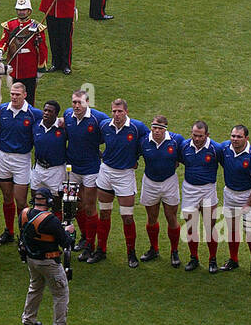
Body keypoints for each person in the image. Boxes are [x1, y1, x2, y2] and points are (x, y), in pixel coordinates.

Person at [93, 99, 147, 267]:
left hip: (125, 176)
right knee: (104, 213)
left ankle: (131, 254)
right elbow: (93, 141)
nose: (116, 115)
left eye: (120, 112)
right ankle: (101, 250)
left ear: (126, 112)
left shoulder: (138, 127)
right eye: (114, 111)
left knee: (127, 217)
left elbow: (147, 145)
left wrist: (135, 158)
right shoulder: (104, 126)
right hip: (106, 173)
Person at [20, 186, 78, 325]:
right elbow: (66, 242)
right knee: (61, 294)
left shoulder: (24, 213)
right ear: (49, 201)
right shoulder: (51, 220)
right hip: (49, 263)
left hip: (32, 260)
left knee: (35, 288)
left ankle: (28, 320)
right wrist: (68, 231)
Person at [0, 82, 41, 245]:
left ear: (25, 95)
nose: (14, 97)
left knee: (21, 201)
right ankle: (9, 231)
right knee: (7, 197)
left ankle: (24, 233)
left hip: (21, 159)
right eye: (12, 94)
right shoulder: (2, 110)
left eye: (17, 94)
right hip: (3, 158)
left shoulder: (34, 114)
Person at [64, 90, 107, 259]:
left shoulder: (99, 118)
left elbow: (109, 136)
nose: (76, 106)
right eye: (74, 102)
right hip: (72, 169)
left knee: (90, 207)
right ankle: (84, 237)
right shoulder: (68, 115)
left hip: (91, 169)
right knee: (74, 205)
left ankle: (90, 245)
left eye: (80, 103)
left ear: (87, 102)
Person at [219, 124, 251, 276]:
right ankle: (233, 259)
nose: (235, 139)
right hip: (229, 193)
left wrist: (248, 203)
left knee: (250, 231)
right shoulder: (224, 148)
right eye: (233, 136)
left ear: (246, 138)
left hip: (247, 195)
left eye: (239, 136)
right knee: (232, 229)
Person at [138, 116, 184, 266]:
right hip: (150, 182)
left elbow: (183, 158)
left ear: (166, 129)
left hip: (169, 182)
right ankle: (154, 249)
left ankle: (174, 251)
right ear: (151, 127)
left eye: (160, 128)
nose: (157, 131)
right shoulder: (144, 140)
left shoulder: (176, 140)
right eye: (155, 127)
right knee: (152, 218)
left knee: (171, 217)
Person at [179, 120, 222, 272]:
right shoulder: (184, 146)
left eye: (200, 136)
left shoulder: (216, 149)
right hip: (189, 189)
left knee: (210, 226)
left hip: (208, 190)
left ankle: (212, 259)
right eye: (194, 135)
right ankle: (194, 258)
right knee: (190, 226)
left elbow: (227, 164)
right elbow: (177, 161)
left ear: (207, 135)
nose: (196, 139)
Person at [31, 101, 68, 196]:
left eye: (50, 111)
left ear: (56, 114)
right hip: (38, 168)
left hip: (56, 170)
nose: (46, 113)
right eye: (45, 110)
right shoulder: (36, 126)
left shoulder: (63, 128)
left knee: (56, 202)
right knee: (36, 198)